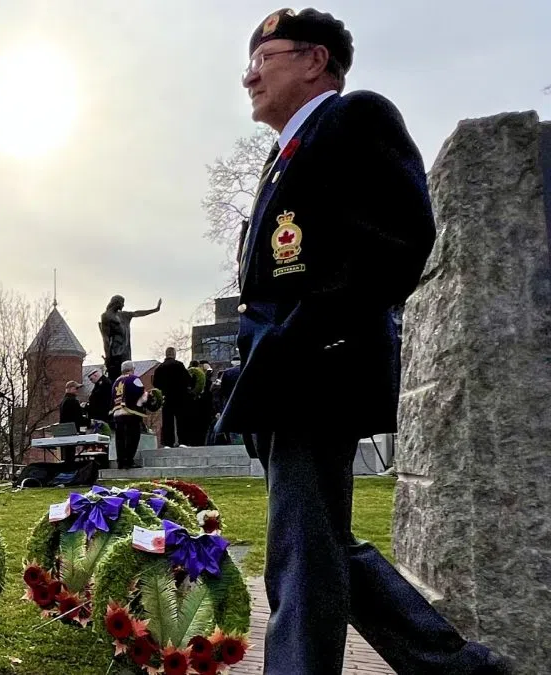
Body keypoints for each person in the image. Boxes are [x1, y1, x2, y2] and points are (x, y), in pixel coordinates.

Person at [215, 9, 511, 675]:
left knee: (303, 553)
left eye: (263, 56)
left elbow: (402, 237)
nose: (248, 75)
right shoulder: (280, 155)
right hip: (280, 379)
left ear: (314, 59)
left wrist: (308, 336)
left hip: (319, 368)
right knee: (321, 544)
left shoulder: (355, 118)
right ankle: (454, 665)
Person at [99, 295, 162, 380]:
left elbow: (138, 313)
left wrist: (155, 310)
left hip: (126, 352)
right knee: (116, 377)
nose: (123, 305)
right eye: (122, 303)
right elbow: (105, 338)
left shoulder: (124, 315)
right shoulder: (106, 316)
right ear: (116, 302)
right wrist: (108, 357)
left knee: (127, 375)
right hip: (115, 353)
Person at [111, 361, 148, 470]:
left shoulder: (116, 381)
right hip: (130, 412)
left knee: (120, 439)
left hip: (117, 413)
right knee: (132, 437)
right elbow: (140, 393)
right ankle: (129, 461)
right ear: (132, 369)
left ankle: (121, 462)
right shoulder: (133, 379)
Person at [152, 347, 189, 448]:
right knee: (181, 419)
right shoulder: (179, 365)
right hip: (180, 397)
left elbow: (155, 383)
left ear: (166, 354)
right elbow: (188, 379)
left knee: (167, 420)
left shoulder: (160, 368)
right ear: (174, 354)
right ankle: (183, 441)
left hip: (166, 397)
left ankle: (168, 442)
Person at [58, 381, 90, 464]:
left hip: (64, 431)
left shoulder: (63, 402)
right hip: (72, 430)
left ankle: (67, 468)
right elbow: (78, 418)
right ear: (70, 389)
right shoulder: (73, 401)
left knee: (66, 454)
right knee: (71, 454)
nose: (77, 391)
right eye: (76, 388)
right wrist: (89, 422)